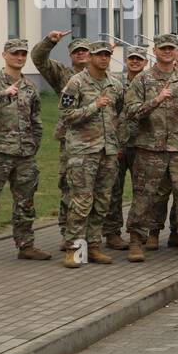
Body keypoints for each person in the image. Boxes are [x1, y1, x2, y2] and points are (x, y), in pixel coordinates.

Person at [122, 34, 178, 262]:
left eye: (171, 48)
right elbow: (131, 112)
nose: (168, 51)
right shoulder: (142, 80)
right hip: (150, 150)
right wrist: (157, 100)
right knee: (144, 197)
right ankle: (136, 241)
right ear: (155, 49)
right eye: (163, 48)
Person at [0, 38, 50, 265]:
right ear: (4, 55)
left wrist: (33, 146)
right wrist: (2, 95)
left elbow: (36, 120)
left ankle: (26, 245)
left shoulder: (30, 86)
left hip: (25, 156)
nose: (20, 58)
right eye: (15, 54)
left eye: (23, 54)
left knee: (26, 202)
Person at [58, 40, 123, 267]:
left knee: (102, 201)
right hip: (83, 151)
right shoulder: (75, 83)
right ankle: (74, 248)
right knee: (81, 201)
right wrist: (94, 106)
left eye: (107, 55)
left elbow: (119, 113)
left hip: (108, 150)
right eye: (99, 55)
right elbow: (66, 114)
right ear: (90, 58)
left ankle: (94, 246)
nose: (104, 58)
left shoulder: (114, 84)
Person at [31, 31, 89, 244]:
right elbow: (38, 59)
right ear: (71, 55)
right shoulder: (63, 74)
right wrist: (49, 41)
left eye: (85, 50)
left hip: (99, 140)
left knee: (98, 188)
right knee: (68, 185)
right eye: (77, 51)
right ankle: (68, 233)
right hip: (71, 139)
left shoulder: (104, 74)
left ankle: (95, 235)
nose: (81, 54)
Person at [101, 45, 148, 250]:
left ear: (146, 62)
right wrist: (114, 141)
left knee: (142, 191)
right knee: (114, 190)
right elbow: (110, 114)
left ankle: (138, 233)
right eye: (132, 58)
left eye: (139, 59)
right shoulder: (116, 83)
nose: (135, 62)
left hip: (142, 144)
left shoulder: (150, 83)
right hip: (119, 145)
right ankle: (112, 232)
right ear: (126, 61)